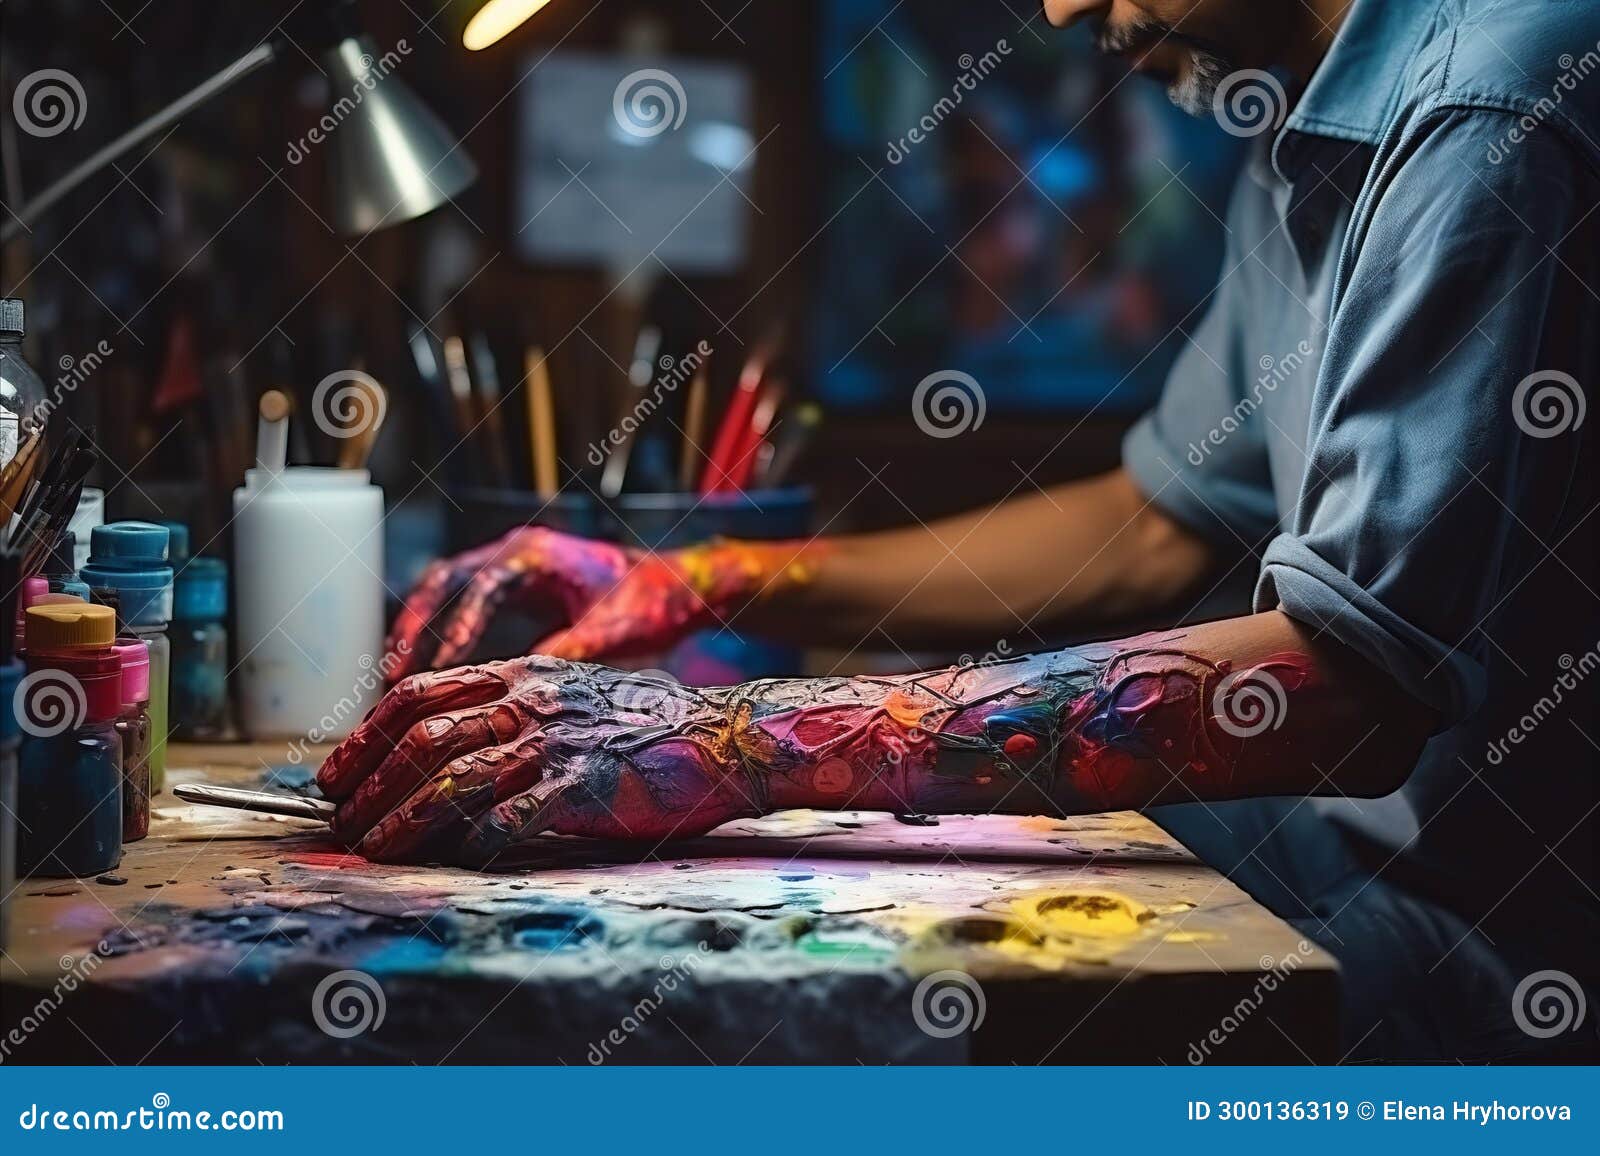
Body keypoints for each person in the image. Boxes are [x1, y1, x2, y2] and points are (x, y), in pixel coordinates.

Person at [319, 0, 1598, 1060]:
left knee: (882, 1026)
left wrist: (726, 737)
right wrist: (700, 576)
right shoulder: (1297, 104)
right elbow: (1156, 517)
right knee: (879, 896)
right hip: (1346, 851)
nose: (1059, 12)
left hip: (1509, 947)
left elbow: (1346, 691)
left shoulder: (1486, 104)